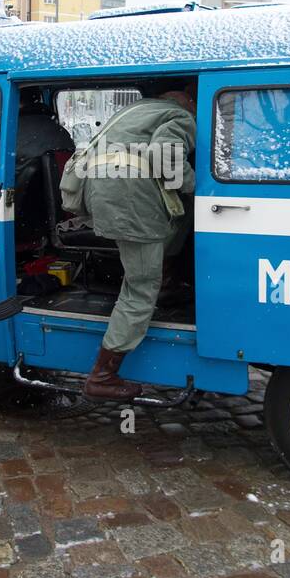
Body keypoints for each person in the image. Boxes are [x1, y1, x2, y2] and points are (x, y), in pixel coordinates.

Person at [61, 86, 197, 400]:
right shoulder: (182, 116)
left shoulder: (131, 112)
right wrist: (201, 188)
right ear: (189, 103)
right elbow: (166, 155)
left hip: (103, 195)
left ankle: (165, 279)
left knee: (176, 220)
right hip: (130, 198)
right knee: (139, 287)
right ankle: (102, 377)